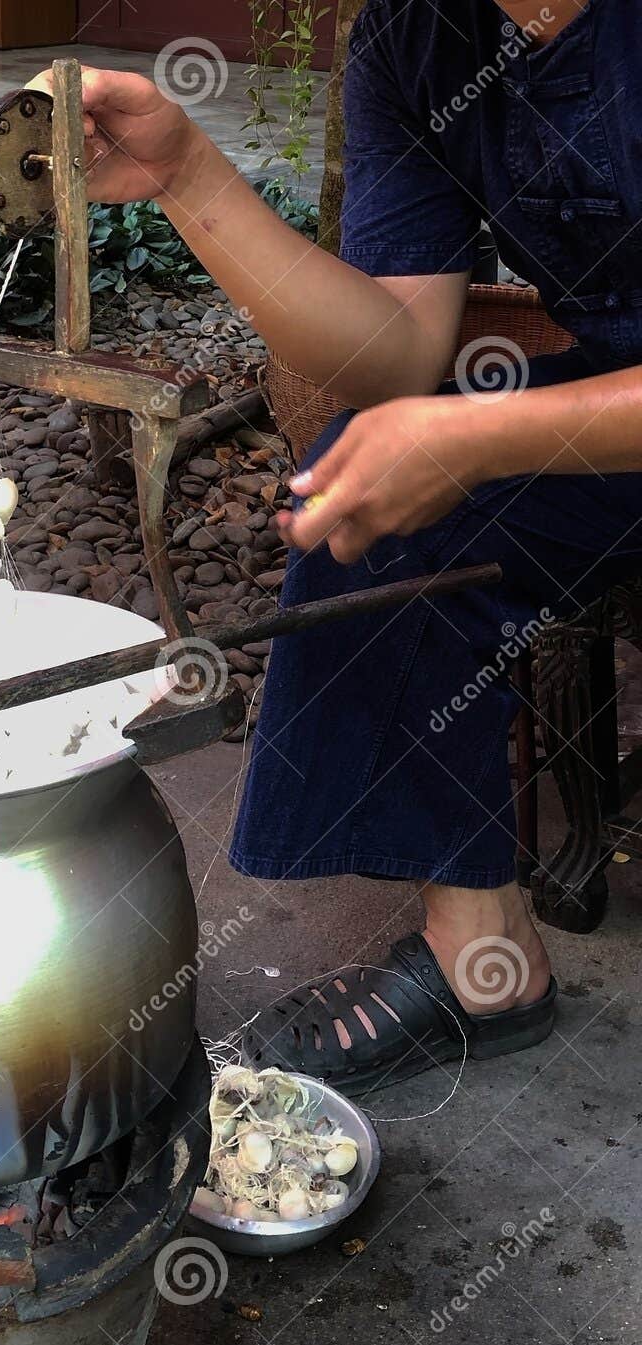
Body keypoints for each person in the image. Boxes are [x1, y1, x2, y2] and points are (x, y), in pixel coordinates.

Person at [38, 0, 642, 1096]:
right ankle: (482, 961)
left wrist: (484, 428)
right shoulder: (419, 39)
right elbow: (397, 352)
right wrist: (187, 176)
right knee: (387, 513)